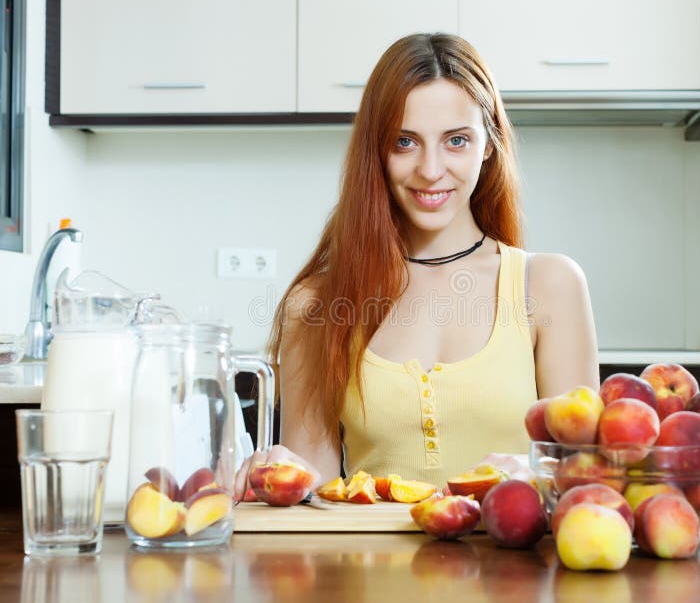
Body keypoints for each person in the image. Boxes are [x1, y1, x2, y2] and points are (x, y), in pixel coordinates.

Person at [234, 33, 598, 498]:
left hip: (516, 570)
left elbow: (584, 476)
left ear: (488, 144)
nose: (430, 169)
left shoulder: (550, 285)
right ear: (377, 152)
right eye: (405, 142)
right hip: (368, 569)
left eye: (457, 141)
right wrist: (283, 475)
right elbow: (317, 493)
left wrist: (534, 475)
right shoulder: (316, 304)